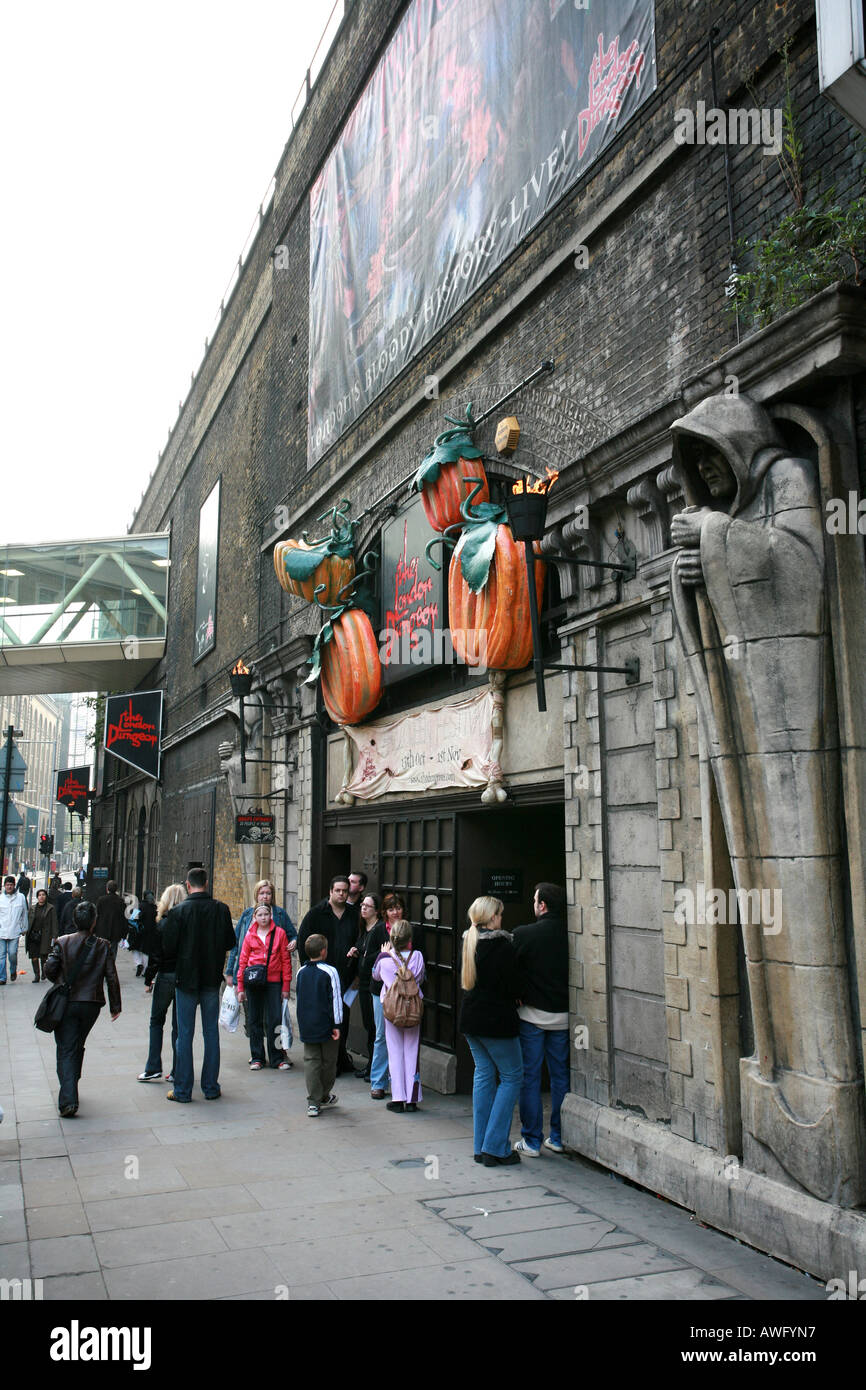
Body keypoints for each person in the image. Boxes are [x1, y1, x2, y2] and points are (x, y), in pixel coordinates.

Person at [159, 867, 235, 1103]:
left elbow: (168, 947)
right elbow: (230, 942)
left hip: (186, 980)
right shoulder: (221, 909)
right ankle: (210, 1087)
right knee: (211, 1033)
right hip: (211, 979)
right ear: (207, 883)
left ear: (188, 885)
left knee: (184, 1035)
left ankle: (182, 1090)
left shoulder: (179, 912)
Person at [459, 896, 525, 1166]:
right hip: (496, 1022)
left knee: (484, 1075)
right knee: (512, 1076)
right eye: (500, 914)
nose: (502, 918)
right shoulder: (503, 946)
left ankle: (481, 1147)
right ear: (492, 917)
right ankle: (496, 1147)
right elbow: (514, 986)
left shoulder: (469, 941)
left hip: (471, 1019)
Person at [43, 899, 121, 1116]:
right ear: (94, 922)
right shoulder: (103, 945)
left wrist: (61, 981)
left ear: (75, 920)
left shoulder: (62, 942)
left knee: (66, 1048)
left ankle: (68, 1100)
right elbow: (111, 977)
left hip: (67, 1003)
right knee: (77, 1044)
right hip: (91, 1004)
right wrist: (115, 1006)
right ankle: (72, 1084)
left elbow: (49, 969)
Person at [512, 882, 569, 1158]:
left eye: (535, 900)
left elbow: (510, 970)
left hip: (532, 1016)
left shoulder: (524, 934)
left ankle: (532, 1140)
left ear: (542, 905)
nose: (533, 904)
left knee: (530, 1078)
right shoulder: (571, 933)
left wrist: (518, 993)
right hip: (563, 1016)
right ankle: (559, 1136)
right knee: (561, 1078)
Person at [297, 876, 359, 1075]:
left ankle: (340, 1059)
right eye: (338, 890)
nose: (341, 894)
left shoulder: (354, 914)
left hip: (346, 977)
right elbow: (303, 942)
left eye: (345, 891)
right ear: (331, 891)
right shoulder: (316, 914)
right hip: (321, 978)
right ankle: (327, 1063)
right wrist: (310, 970)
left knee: (343, 1019)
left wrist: (357, 974)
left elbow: (360, 941)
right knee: (325, 1017)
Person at [225, 879, 296, 1041]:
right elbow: (236, 945)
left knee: (273, 1018)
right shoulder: (247, 915)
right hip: (250, 975)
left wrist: (294, 941)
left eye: (268, 893)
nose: (265, 896)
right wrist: (230, 972)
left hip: (273, 976)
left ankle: (276, 1049)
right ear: (256, 895)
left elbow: (292, 935)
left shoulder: (280, 914)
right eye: (262, 893)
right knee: (252, 1018)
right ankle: (256, 1050)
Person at [372, 919, 425, 1113]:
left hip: (392, 1009)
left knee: (394, 1052)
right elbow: (420, 977)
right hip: (413, 1008)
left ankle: (398, 1097)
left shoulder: (384, 959)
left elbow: (375, 976)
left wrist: (383, 953)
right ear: (409, 939)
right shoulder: (417, 956)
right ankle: (412, 1098)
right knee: (412, 1050)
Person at [138, 883, 186, 1083]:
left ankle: (153, 1067)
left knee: (156, 1021)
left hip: (166, 975)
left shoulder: (162, 924)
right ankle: (177, 1070)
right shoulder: (187, 924)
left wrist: (149, 978)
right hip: (183, 977)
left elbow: (156, 955)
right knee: (179, 1026)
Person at [237, 901, 292, 1070]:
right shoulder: (249, 935)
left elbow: (286, 960)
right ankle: (257, 1057)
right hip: (254, 982)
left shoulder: (280, 933)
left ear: (271, 915)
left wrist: (286, 986)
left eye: (266, 914)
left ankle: (277, 1058)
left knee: (275, 1020)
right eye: (260, 915)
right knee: (255, 1019)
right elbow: (243, 961)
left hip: (274, 982)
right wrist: (240, 988)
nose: (263, 918)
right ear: (254, 917)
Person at [296, 933, 342, 1117]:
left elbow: (300, 999)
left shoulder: (301, 972)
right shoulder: (330, 972)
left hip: (307, 1023)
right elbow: (335, 1000)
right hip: (326, 1024)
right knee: (329, 1061)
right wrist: (337, 1024)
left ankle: (313, 1101)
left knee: (311, 1061)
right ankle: (322, 1094)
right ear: (324, 951)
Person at [348, 891, 388, 1084]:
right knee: (368, 1025)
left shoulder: (380, 929)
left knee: (374, 1027)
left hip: (375, 983)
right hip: (363, 982)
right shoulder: (364, 928)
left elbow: (382, 954)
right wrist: (356, 951)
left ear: (377, 910)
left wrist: (364, 955)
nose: (363, 908)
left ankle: (374, 1066)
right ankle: (371, 1063)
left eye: (368, 906)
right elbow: (362, 948)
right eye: (362, 905)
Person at [26, 888, 59, 983]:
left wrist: (55, 936)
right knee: (34, 956)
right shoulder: (32, 908)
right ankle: (36, 975)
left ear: (46, 896)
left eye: (43, 895)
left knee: (44, 955)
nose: (41, 897)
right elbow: (28, 921)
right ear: (37, 897)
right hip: (33, 935)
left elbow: (54, 922)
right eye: (39, 895)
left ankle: (44, 972)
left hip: (45, 935)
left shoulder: (50, 908)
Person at [0, 875, 29, 984]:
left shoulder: (20, 897)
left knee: (12, 954)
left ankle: (13, 970)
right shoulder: (1, 898)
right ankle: (2, 977)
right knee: (1, 956)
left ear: (14, 885)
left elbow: (24, 913)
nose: (9, 887)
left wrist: (24, 928)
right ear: (4, 886)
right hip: (1, 931)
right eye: (7, 885)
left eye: (11, 885)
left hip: (15, 930)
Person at [95, 880, 127, 959]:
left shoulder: (101, 900)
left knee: (102, 951)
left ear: (107, 889)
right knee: (113, 951)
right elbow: (124, 918)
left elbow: (97, 915)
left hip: (102, 930)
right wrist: (124, 934)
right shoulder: (120, 901)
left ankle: (103, 964)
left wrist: (94, 929)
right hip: (115, 931)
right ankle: (111, 964)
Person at [135, 891, 160, 981]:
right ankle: (145, 969)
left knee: (136, 948)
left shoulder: (140, 905)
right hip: (152, 931)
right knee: (147, 951)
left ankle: (139, 964)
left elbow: (136, 917)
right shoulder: (154, 907)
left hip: (141, 930)